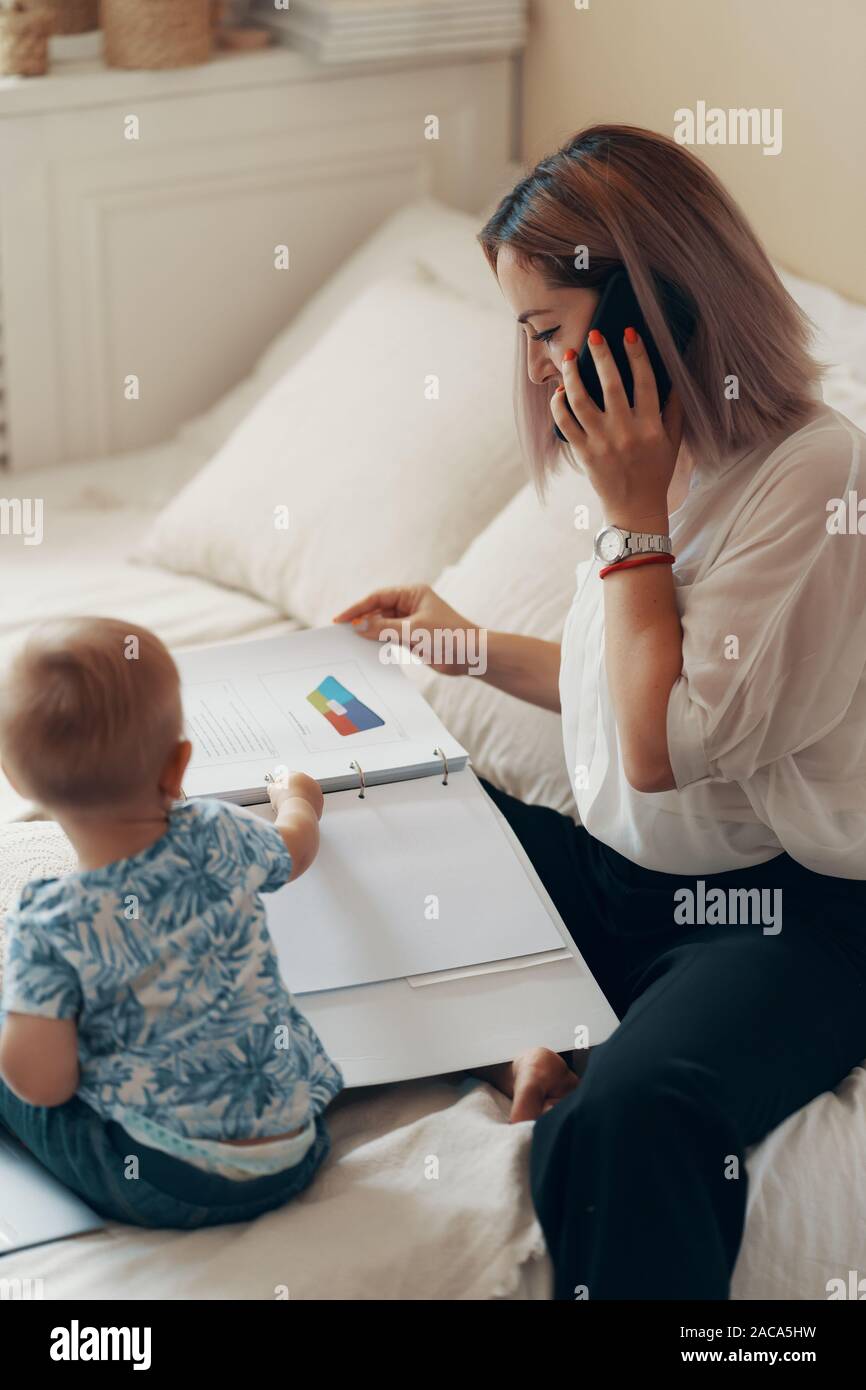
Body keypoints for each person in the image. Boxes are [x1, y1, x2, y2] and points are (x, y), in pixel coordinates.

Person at [333, 124, 866, 1299]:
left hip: (782, 912)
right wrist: (456, 642)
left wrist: (628, 516)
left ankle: (569, 1039)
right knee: (362, 812)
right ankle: (543, 1021)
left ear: (649, 312)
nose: (532, 372)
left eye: (546, 333)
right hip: (633, 875)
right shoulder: (664, 456)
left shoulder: (813, 474)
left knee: (629, 1122)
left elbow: (660, 742)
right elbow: (619, 675)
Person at [0, 616, 342, 1229]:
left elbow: (44, 1088)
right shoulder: (221, 833)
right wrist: (298, 799)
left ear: (18, 781)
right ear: (179, 765)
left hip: (164, 1181)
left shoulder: (49, 925)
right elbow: (296, 849)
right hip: (293, 1145)